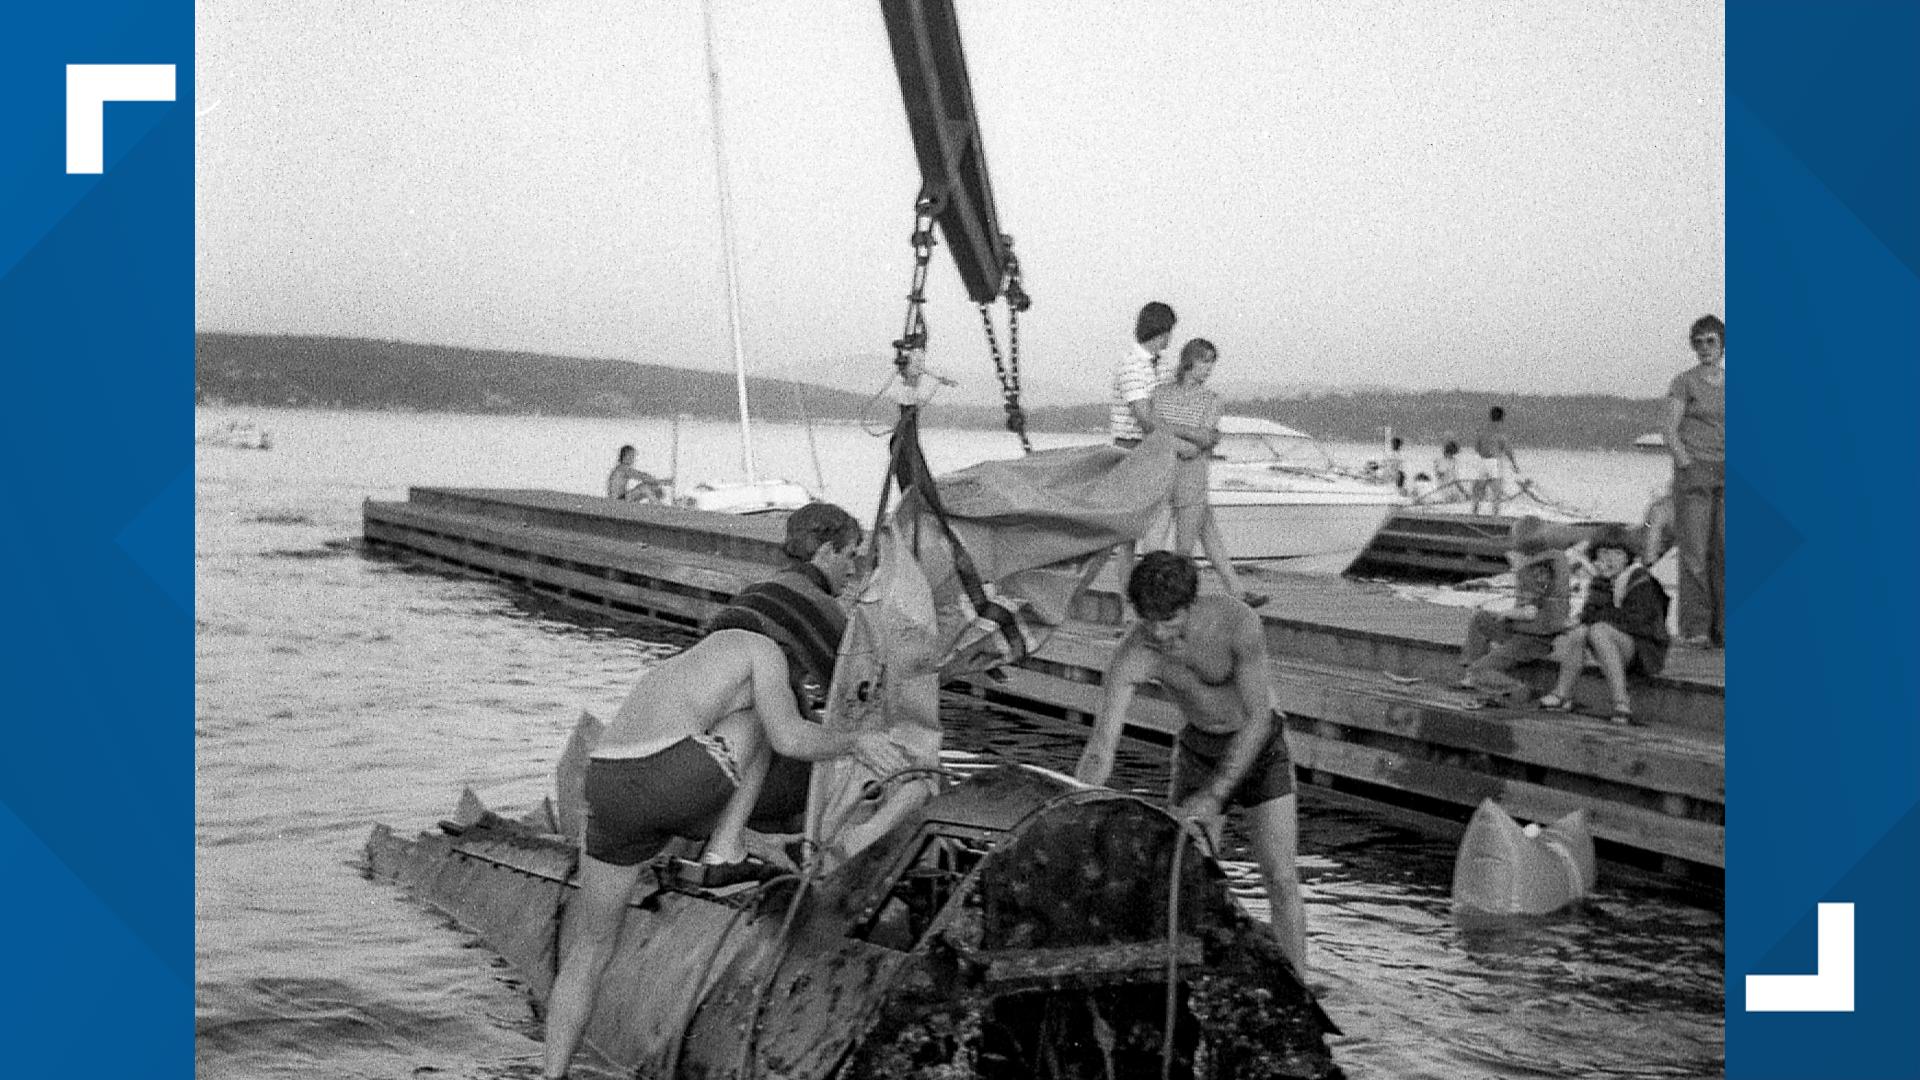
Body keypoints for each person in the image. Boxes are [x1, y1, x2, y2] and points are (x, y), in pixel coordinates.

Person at [540, 630, 905, 1080]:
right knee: (765, 723)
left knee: (590, 950)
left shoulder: (684, 668)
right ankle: (722, 856)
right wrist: (855, 742)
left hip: (608, 784)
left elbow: (666, 790)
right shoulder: (763, 650)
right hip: (670, 775)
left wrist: (762, 841)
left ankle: (550, 1075)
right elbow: (789, 738)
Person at [1073, 552, 1307, 973]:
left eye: (1170, 620)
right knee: (1186, 881)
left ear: (1191, 605)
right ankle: (1198, 981)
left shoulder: (1237, 623)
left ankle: (1301, 985)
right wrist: (1075, 803)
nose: (1159, 633)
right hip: (1199, 751)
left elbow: (1257, 719)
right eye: (1149, 621)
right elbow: (1100, 747)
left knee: (1280, 878)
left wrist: (1217, 794)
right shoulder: (1133, 653)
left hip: (1261, 748)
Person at [698, 501, 864, 833]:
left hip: (703, 755)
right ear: (827, 552)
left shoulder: (754, 593)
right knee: (855, 772)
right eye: (850, 556)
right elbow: (854, 694)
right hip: (746, 767)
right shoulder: (815, 605)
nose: (852, 571)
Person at [1151, 338, 1268, 607]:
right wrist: (1191, 436)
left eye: (1211, 363)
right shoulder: (1161, 393)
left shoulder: (1212, 399)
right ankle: (1177, 602)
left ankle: (1232, 593)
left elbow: (1201, 440)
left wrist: (1174, 429)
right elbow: (1157, 432)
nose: (1209, 369)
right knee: (1189, 546)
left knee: (1188, 545)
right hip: (1167, 474)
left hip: (1193, 477)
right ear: (1189, 361)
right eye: (1205, 361)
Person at [1538, 525, 1671, 726]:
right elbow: (1588, 615)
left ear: (1628, 557)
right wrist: (1599, 586)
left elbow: (1635, 622)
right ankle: (1562, 693)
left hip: (1645, 649)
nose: (1610, 559)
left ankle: (1621, 702)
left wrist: (1598, 616)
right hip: (1615, 642)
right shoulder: (1603, 581)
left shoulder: (1641, 581)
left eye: (1617, 553)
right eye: (1604, 553)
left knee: (1598, 630)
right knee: (1580, 632)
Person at [1457, 519, 1572, 705]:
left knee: (1479, 671)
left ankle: (1518, 690)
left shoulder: (1538, 570)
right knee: (1481, 619)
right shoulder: (1541, 562)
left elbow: (1530, 612)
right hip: (1523, 631)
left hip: (1534, 638)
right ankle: (1474, 674)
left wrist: (1507, 613)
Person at [1663, 314, 1725, 648]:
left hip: (1728, 473)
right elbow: (1669, 431)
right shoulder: (1684, 382)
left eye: (1711, 341)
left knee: (1726, 551)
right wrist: (1688, 464)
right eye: (1698, 342)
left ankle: (1724, 628)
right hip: (1695, 473)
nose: (1704, 348)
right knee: (1695, 555)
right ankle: (1697, 629)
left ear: (1722, 345)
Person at [1109, 301, 1178, 595]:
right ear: (1160, 330)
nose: (1170, 338)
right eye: (1169, 331)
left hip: (1154, 450)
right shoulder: (1131, 365)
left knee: (1154, 528)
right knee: (1127, 536)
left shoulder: (1161, 366)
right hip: (1131, 450)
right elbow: (1144, 415)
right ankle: (1128, 602)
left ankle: (1148, 598)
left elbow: (1169, 406)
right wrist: (1179, 439)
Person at [1470, 407, 1521, 514]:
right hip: (1494, 462)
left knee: (1479, 489)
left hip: (1483, 461)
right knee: (1497, 491)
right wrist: (1514, 465)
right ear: (1502, 418)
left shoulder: (1483, 430)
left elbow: (1477, 447)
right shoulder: (1500, 431)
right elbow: (1507, 450)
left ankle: (1474, 512)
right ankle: (1495, 515)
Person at [1432, 436, 1463, 502]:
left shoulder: (1454, 461)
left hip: (1451, 490)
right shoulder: (1440, 461)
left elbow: (1455, 479)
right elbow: (1440, 476)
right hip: (1443, 491)